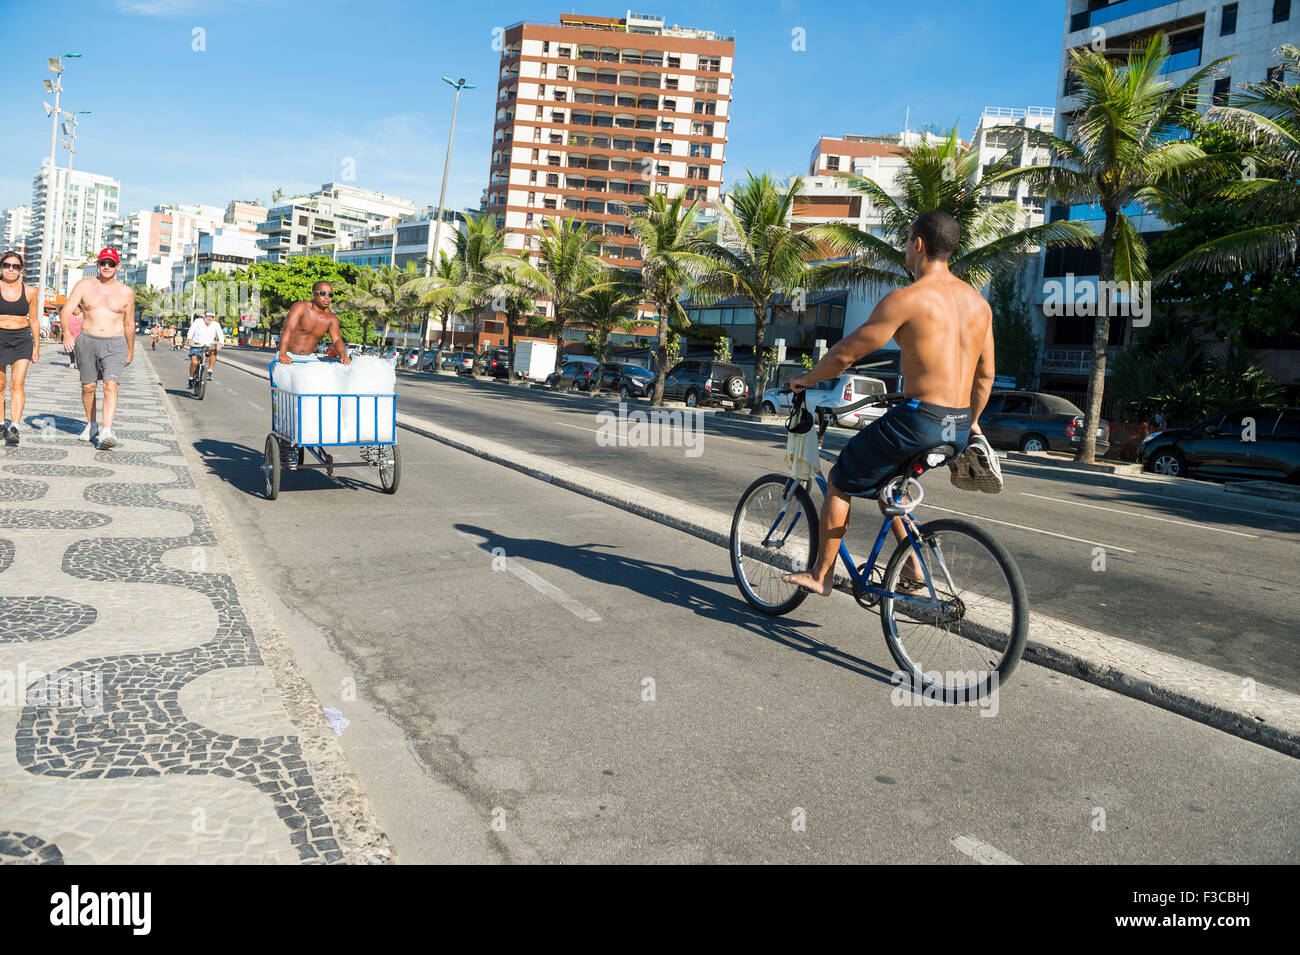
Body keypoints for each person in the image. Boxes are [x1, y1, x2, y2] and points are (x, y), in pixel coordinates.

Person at [781, 211, 996, 596]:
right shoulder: (980, 305)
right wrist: (972, 421)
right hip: (958, 426)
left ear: (918, 244)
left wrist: (806, 379)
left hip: (919, 420)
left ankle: (821, 575)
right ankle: (913, 565)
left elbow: (847, 353)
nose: (904, 250)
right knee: (891, 491)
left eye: (906, 242)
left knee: (840, 480)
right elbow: (985, 377)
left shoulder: (907, 299)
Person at [61, 247, 134, 449]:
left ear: (118, 266)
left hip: (115, 342)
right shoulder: (84, 286)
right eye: (103, 263)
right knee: (88, 387)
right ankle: (92, 424)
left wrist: (131, 349)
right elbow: (66, 310)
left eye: (111, 263)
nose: (107, 266)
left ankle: (107, 431)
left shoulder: (126, 292)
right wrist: (67, 333)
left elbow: (129, 323)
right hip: (87, 341)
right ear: (98, 265)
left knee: (111, 385)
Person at [0, 250, 40, 445]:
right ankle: (1, 423)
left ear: (21, 269)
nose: (10, 269)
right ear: (1, 267)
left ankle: (14, 426)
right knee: (0, 385)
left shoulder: (31, 291)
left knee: (17, 383)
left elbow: (33, 320)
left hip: (22, 339)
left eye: (15, 266)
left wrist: (36, 347)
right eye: (7, 265)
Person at [277, 281, 351, 368]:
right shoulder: (301, 307)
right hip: (288, 355)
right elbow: (287, 329)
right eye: (322, 293)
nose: (327, 297)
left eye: (330, 295)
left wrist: (343, 356)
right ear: (313, 294)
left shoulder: (331, 318)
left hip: (309, 358)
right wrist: (282, 353)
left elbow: (337, 340)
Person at [186, 309, 224, 384]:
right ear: (204, 316)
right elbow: (191, 330)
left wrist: (221, 343)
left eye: (212, 317)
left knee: (214, 350)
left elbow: (220, 334)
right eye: (208, 316)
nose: (210, 318)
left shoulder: (216, 324)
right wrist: (190, 338)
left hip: (208, 346)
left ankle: (209, 370)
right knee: (194, 362)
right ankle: (190, 378)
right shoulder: (198, 321)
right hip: (196, 345)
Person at [64, 303, 85, 369]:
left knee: (80, 351)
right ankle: (72, 362)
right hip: (71, 336)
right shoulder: (70, 316)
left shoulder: (84, 316)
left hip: (81, 336)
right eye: (74, 309)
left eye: (77, 309)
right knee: (71, 350)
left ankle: (79, 363)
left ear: (80, 309)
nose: (75, 311)